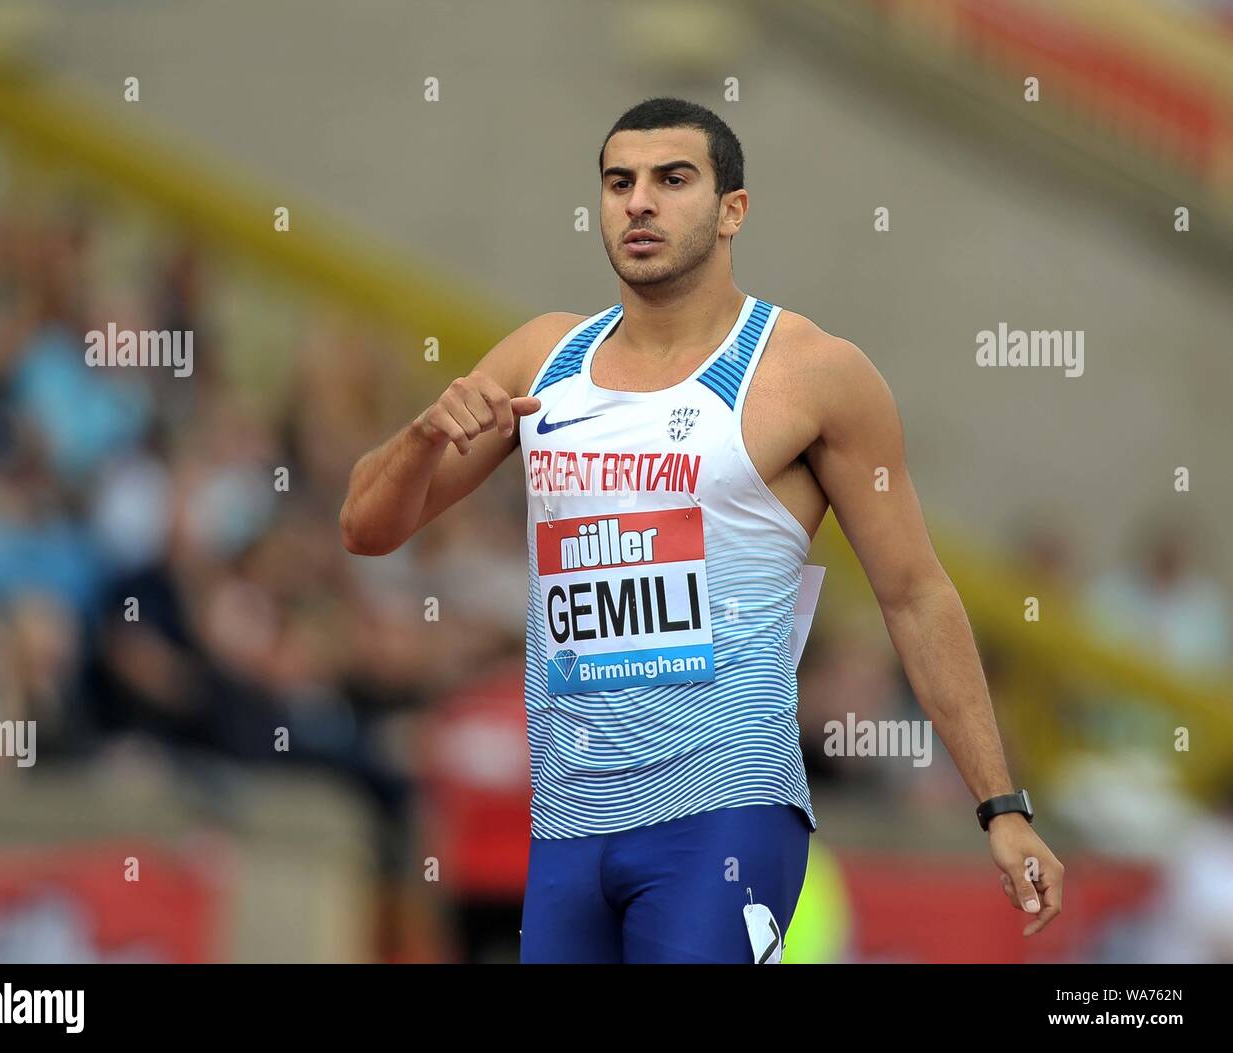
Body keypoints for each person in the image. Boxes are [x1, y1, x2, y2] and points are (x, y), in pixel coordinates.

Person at [340, 97, 1064, 963]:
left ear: (733, 210)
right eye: (619, 183)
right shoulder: (544, 361)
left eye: (671, 180)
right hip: (569, 821)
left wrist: (1001, 806)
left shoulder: (811, 375)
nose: (638, 202)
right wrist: (425, 434)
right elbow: (365, 527)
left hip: (723, 810)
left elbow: (914, 593)